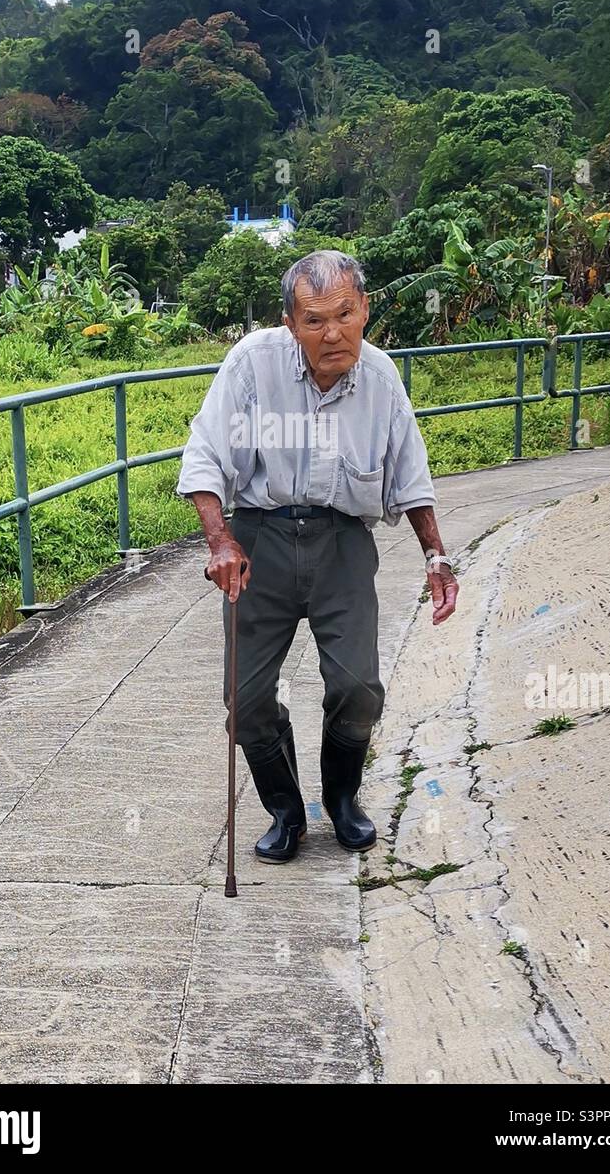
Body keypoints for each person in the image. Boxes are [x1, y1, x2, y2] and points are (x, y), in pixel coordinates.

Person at [176, 249, 458, 862]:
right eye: (313, 319)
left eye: (344, 314)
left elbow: (411, 474)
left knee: (359, 690)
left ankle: (342, 799)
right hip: (261, 540)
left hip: (341, 545)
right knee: (245, 701)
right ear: (288, 323)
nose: (332, 333)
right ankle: (286, 810)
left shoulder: (381, 380)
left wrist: (435, 556)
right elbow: (205, 453)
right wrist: (220, 538)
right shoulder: (252, 365)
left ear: (365, 310)